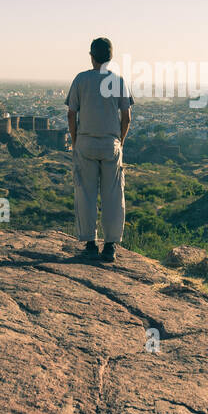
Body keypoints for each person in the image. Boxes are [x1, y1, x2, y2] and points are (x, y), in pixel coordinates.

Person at [66, 37, 132, 263]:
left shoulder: (81, 79)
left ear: (91, 56)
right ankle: (110, 246)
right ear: (111, 57)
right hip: (110, 143)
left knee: (85, 192)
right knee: (113, 194)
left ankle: (90, 243)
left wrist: (75, 142)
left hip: (85, 141)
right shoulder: (118, 80)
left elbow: (71, 113)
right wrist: (120, 141)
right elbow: (127, 116)